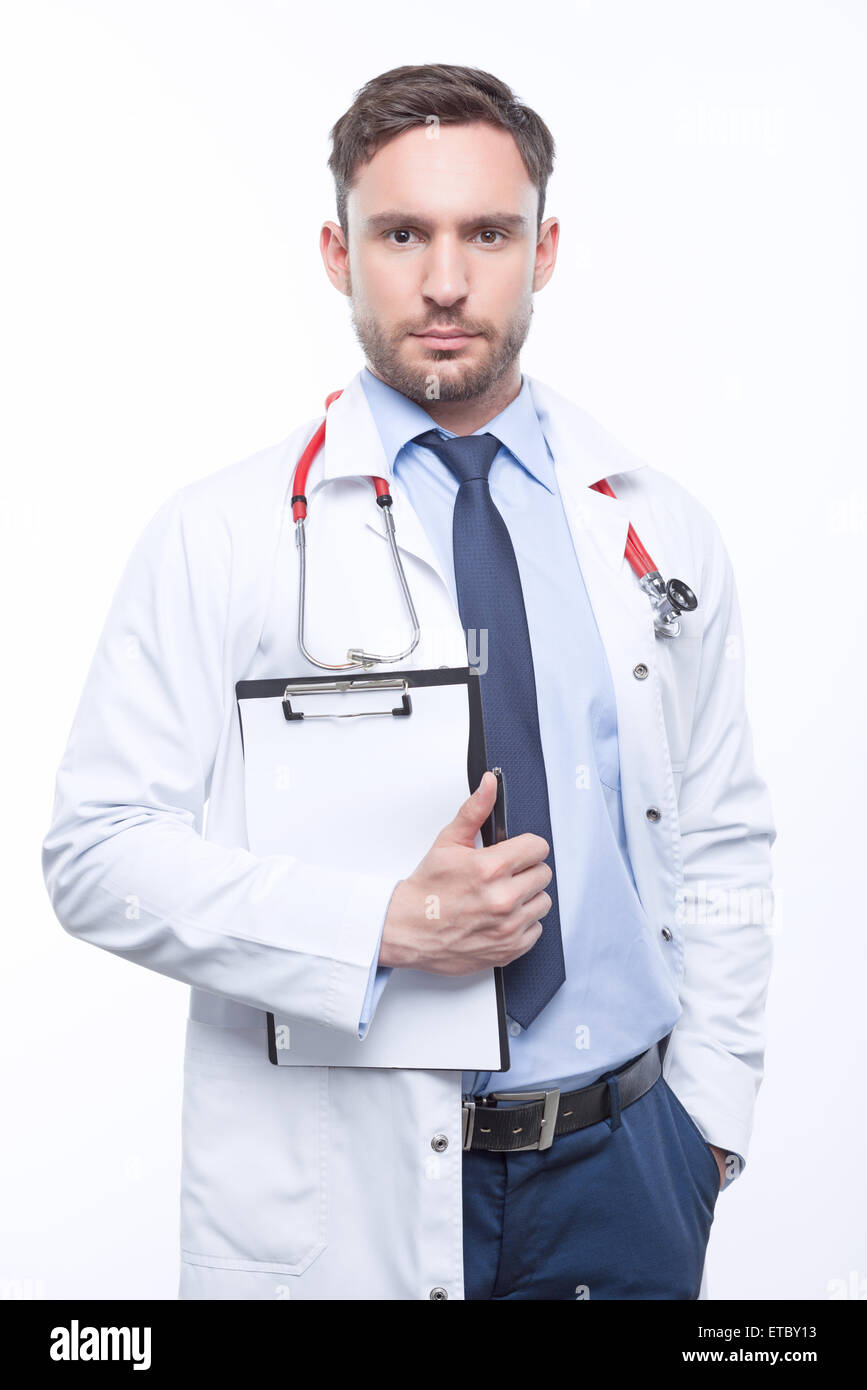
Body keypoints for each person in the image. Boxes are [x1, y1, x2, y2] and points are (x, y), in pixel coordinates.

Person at [42, 63, 776, 1301]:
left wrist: (708, 1120)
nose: (445, 281)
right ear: (338, 251)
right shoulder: (220, 536)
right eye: (403, 234)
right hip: (353, 1177)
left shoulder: (653, 529)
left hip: (628, 1170)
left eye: (487, 232)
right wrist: (378, 927)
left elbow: (719, 833)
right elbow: (96, 853)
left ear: (543, 249)